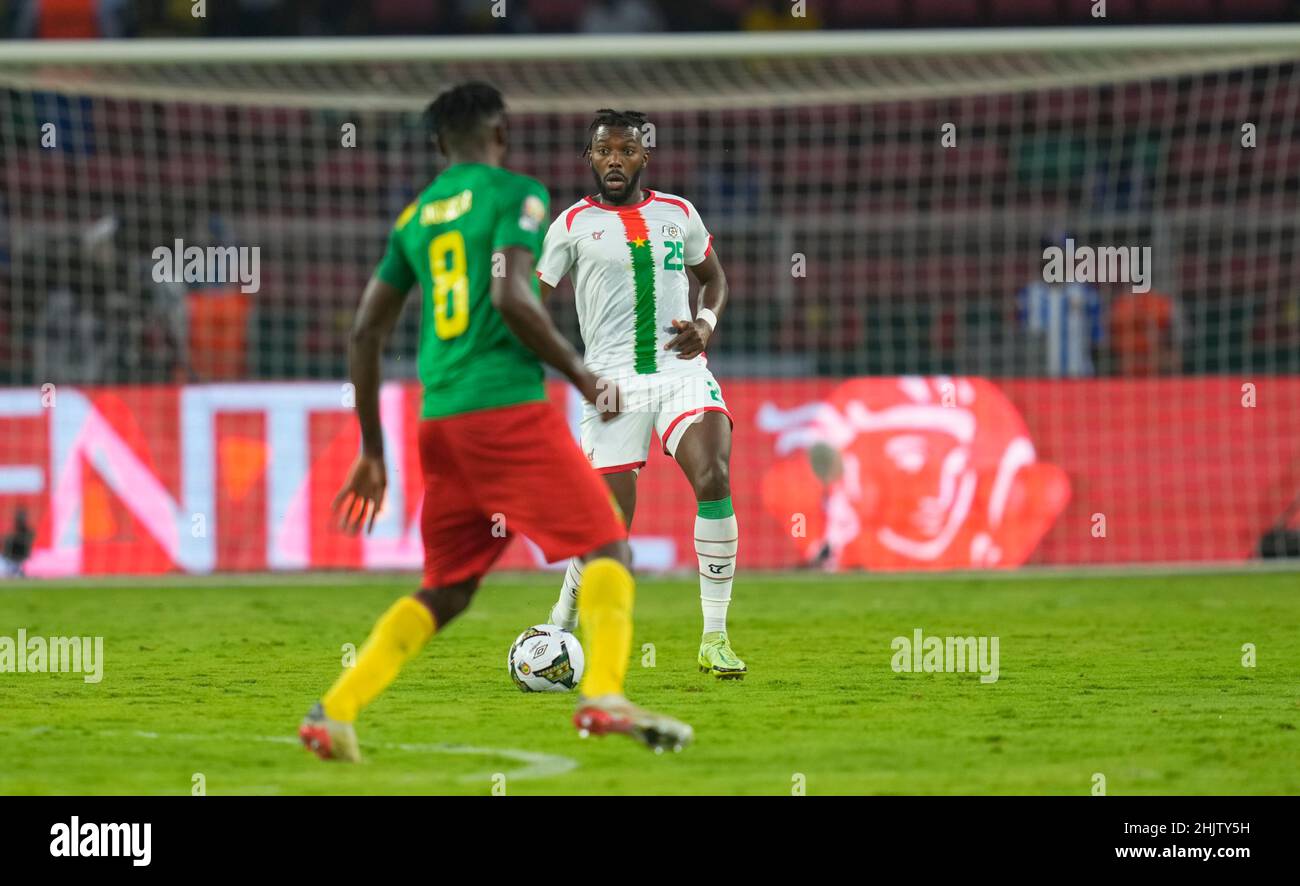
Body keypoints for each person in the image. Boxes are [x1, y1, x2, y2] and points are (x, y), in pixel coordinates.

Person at [298, 83, 693, 761]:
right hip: (505, 412)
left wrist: (372, 448)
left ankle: (332, 713)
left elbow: (364, 333)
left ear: (438, 144)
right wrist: (581, 374)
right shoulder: (519, 195)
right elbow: (513, 296)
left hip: (439, 425)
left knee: (446, 591)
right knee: (608, 547)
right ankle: (603, 693)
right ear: (500, 133)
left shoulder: (415, 218)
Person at [537, 109, 746, 679]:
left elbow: (717, 279)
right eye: (604, 150)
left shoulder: (679, 213)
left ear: (643, 157)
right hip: (609, 384)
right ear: (589, 158)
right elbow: (529, 303)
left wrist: (706, 323)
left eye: (626, 150)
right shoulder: (570, 225)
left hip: (682, 370)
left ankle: (715, 637)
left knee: (714, 477)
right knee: (608, 527)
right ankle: (563, 617)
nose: (614, 160)